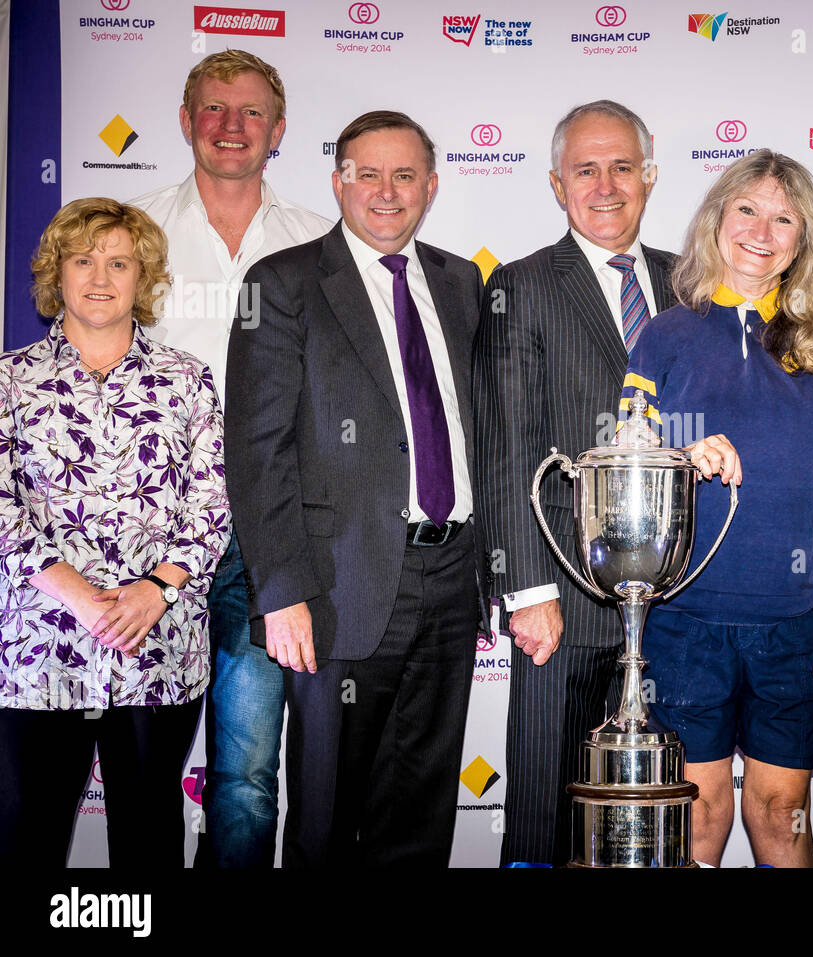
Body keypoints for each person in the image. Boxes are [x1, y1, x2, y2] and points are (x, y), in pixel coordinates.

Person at [225, 111, 482, 867]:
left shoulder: (461, 282)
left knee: (421, 808)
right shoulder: (283, 282)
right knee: (327, 814)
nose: (387, 192)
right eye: (368, 174)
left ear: (431, 186)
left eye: (405, 175)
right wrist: (280, 591)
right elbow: (257, 450)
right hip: (337, 585)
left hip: (451, 575)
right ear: (339, 183)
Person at [130, 49, 332, 868]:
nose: (231, 126)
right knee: (140, 770)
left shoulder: (317, 240)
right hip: (150, 535)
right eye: (214, 108)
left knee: (246, 773)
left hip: (266, 533)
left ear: (278, 132)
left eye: (252, 112)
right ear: (186, 122)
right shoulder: (132, 232)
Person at [618, 150, 813, 866]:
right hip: (687, 621)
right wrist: (680, 454)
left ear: (804, 239)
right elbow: (625, 472)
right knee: (699, 815)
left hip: (796, 621)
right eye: (746, 210)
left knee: (783, 816)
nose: (761, 232)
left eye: (784, 219)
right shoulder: (663, 335)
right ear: (716, 219)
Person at [474, 100, 677, 867]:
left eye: (622, 167)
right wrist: (528, 589)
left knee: (653, 808)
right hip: (563, 587)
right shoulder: (521, 285)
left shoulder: (691, 281)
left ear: (649, 175)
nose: (606, 185)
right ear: (557, 184)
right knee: (546, 801)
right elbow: (506, 445)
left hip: (678, 597)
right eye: (585, 170)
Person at [0, 197, 230, 866]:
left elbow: (212, 502)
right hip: (41, 652)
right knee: (26, 835)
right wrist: (76, 594)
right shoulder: (10, 380)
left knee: (149, 838)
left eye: (119, 263)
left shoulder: (187, 381)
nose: (100, 278)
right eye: (83, 260)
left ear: (143, 277)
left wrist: (158, 589)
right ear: (57, 272)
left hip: (157, 648)